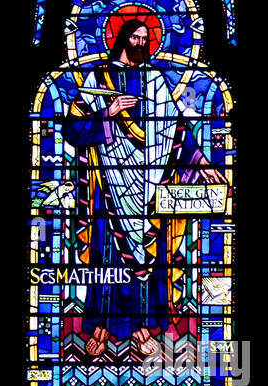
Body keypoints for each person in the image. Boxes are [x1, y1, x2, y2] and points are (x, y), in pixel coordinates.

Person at [61, 18, 228, 357]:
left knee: (151, 257)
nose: (139, 43)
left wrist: (202, 164)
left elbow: (177, 132)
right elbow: (72, 130)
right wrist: (109, 111)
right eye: (134, 37)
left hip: (150, 183)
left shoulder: (154, 81)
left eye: (145, 38)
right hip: (110, 182)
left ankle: (141, 328)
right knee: (107, 255)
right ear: (121, 39)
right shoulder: (96, 80)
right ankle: (102, 327)